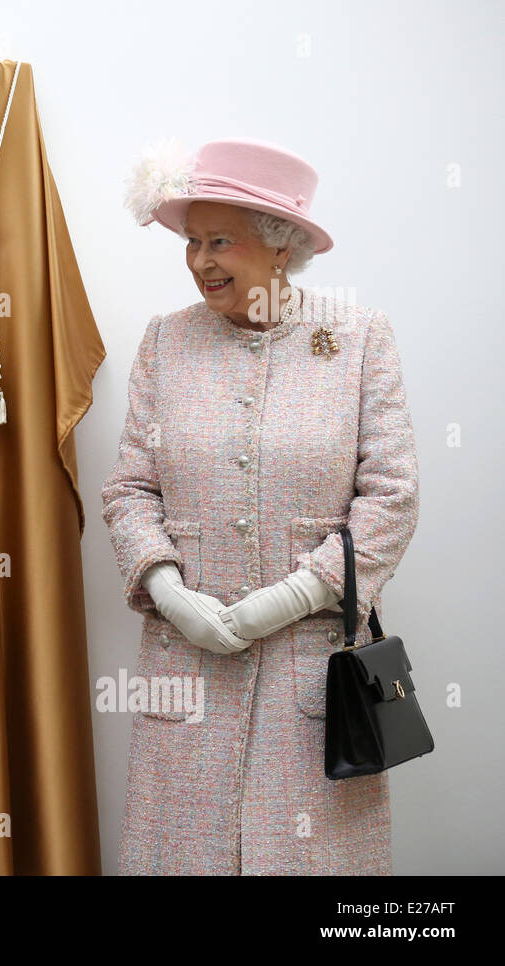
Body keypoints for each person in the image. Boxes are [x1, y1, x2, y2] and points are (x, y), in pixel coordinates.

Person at [102, 137, 419, 874]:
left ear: (280, 248)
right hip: (188, 666)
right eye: (191, 241)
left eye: (221, 241)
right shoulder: (165, 343)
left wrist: (292, 596)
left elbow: (392, 497)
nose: (200, 261)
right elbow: (129, 490)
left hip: (312, 675)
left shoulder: (359, 339)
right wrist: (168, 590)